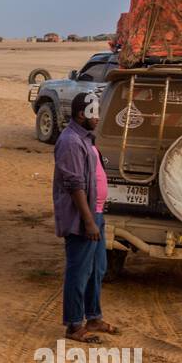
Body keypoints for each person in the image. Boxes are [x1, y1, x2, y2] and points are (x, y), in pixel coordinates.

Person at [52, 92, 120, 343]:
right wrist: (88, 220)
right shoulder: (70, 141)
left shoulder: (86, 139)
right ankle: (73, 326)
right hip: (83, 219)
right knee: (78, 272)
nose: (98, 117)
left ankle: (93, 317)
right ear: (82, 114)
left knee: (96, 269)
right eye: (94, 113)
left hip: (96, 215)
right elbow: (73, 184)